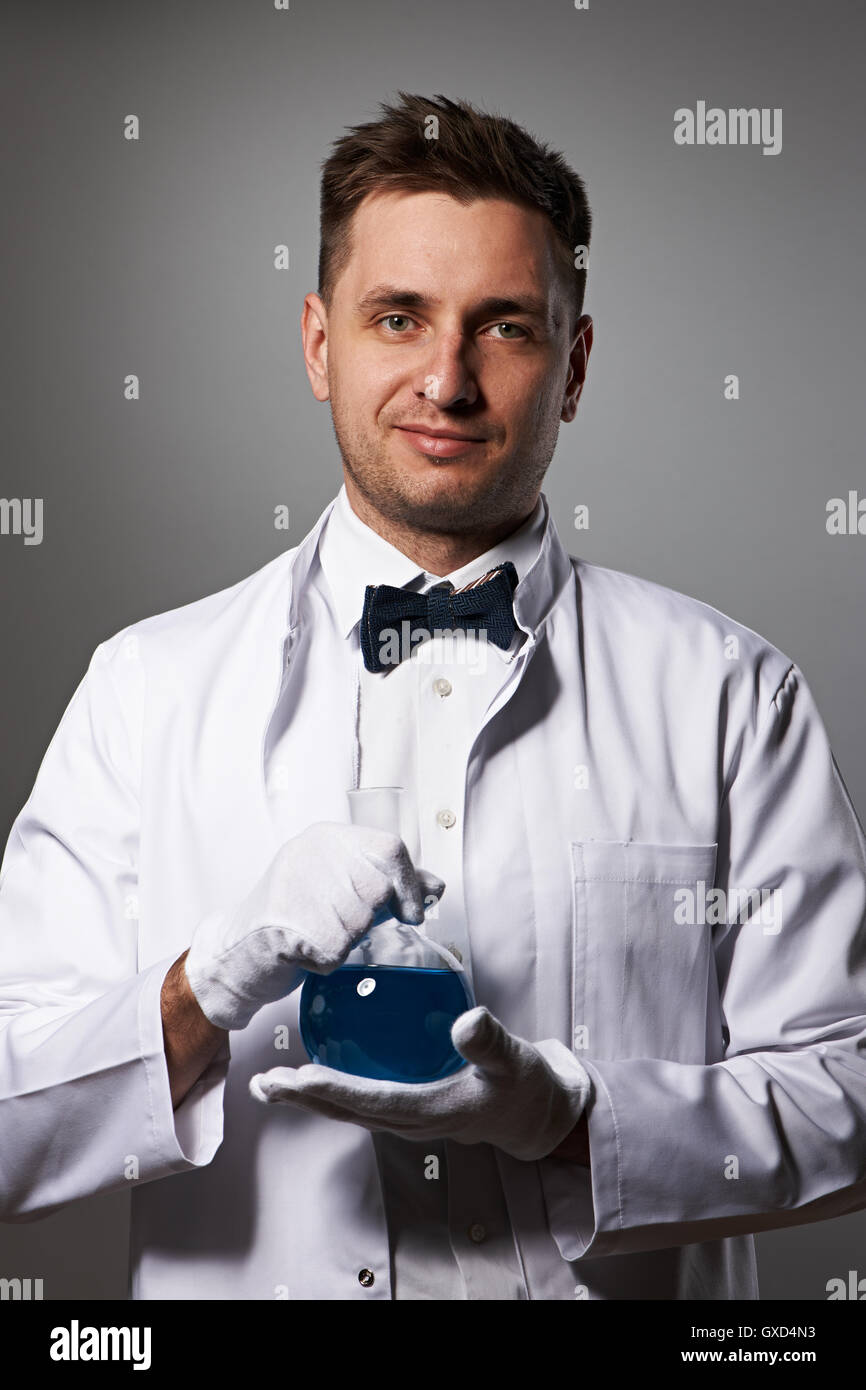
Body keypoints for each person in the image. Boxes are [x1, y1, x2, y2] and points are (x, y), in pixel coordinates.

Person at [2, 91, 865, 1302]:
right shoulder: (144, 691)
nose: (445, 379)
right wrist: (213, 979)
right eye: (396, 316)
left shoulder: (730, 694)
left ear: (572, 366)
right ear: (318, 343)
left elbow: (850, 1090)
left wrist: (570, 1117)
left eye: (503, 326)